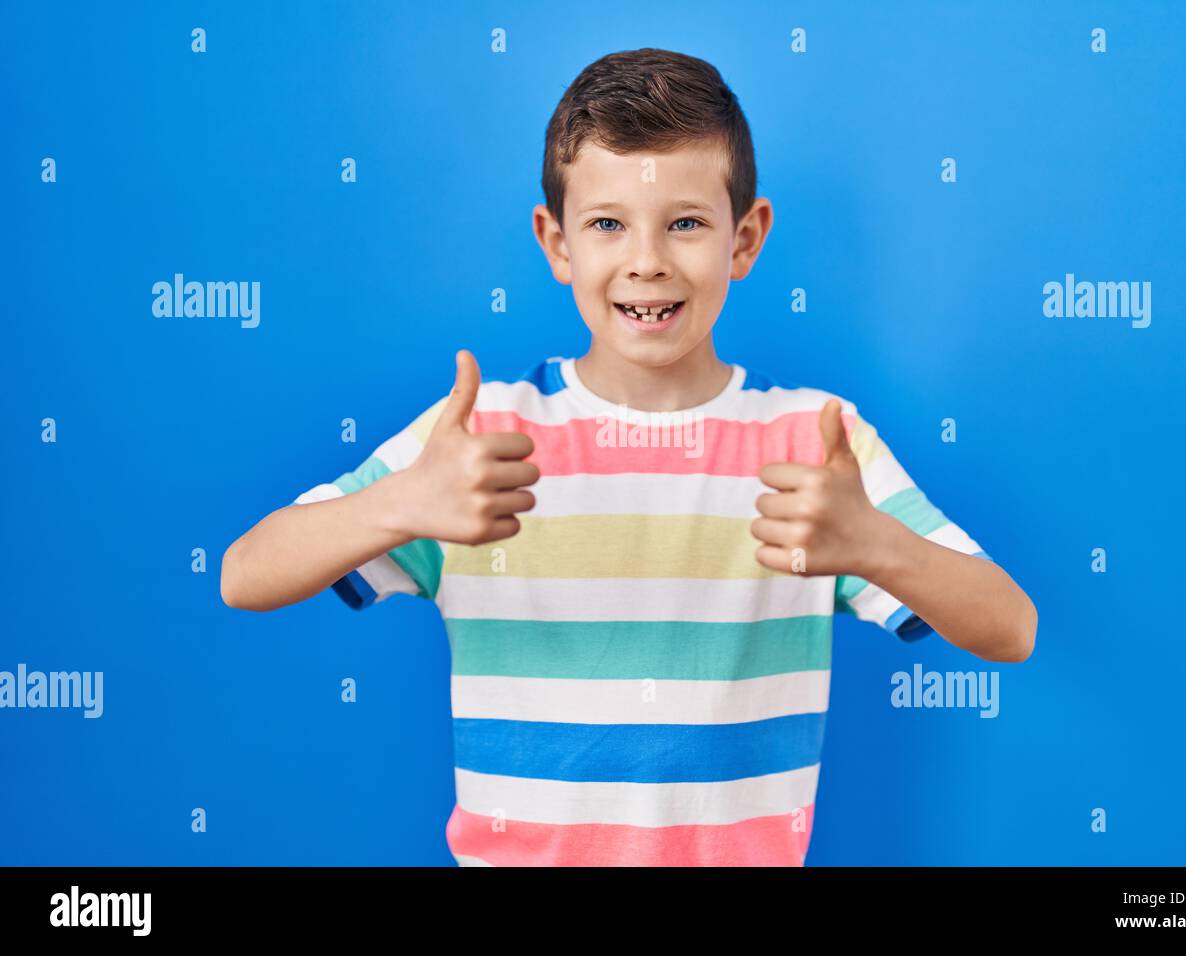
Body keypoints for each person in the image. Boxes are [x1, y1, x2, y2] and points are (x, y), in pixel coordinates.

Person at [221, 47, 1037, 866]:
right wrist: (397, 505)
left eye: (685, 222)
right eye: (608, 224)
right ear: (557, 242)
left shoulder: (817, 446)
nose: (646, 259)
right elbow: (245, 574)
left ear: (745, 239)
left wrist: (877, 545)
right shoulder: (477, 442)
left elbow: (1011, 627)